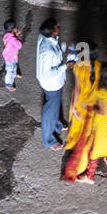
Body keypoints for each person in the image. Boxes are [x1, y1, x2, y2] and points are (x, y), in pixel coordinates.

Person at [69, 54, 107, 182]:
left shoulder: (101, 93)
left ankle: (89, 177)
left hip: (102, 135)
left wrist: (86, 106)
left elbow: (101, 111)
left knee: (92, 153)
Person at [62, 44, 102, 182]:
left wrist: (74, 108)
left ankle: (78, 166)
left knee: (79, 133)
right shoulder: (98, 66)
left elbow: (78, 89)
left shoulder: (80, 67)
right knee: (88, 135)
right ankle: (84, 163)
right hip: (93, 104)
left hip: (81, 104)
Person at [36, 18, 72, 149]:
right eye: (57, 27)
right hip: (51, 84)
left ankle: (57, 125)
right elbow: (47, 73)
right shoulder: (48, 51)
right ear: (52, 33)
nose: (59, 26)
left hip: (53, 83)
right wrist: (65, 66)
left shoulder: (43, 37)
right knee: (49, 111)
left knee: (54, 105)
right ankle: (48, 140)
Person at [2, 19, 23, 92]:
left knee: (13, 67)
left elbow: (11, 41)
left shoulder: (6, 35)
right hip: (11, 57)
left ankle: (14, 74)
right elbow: (19, 45)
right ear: (14, 29)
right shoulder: (13, 39)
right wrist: (17, 37)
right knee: (10, 71)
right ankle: (8, 84)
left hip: (9, 55)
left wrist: (15, 36)